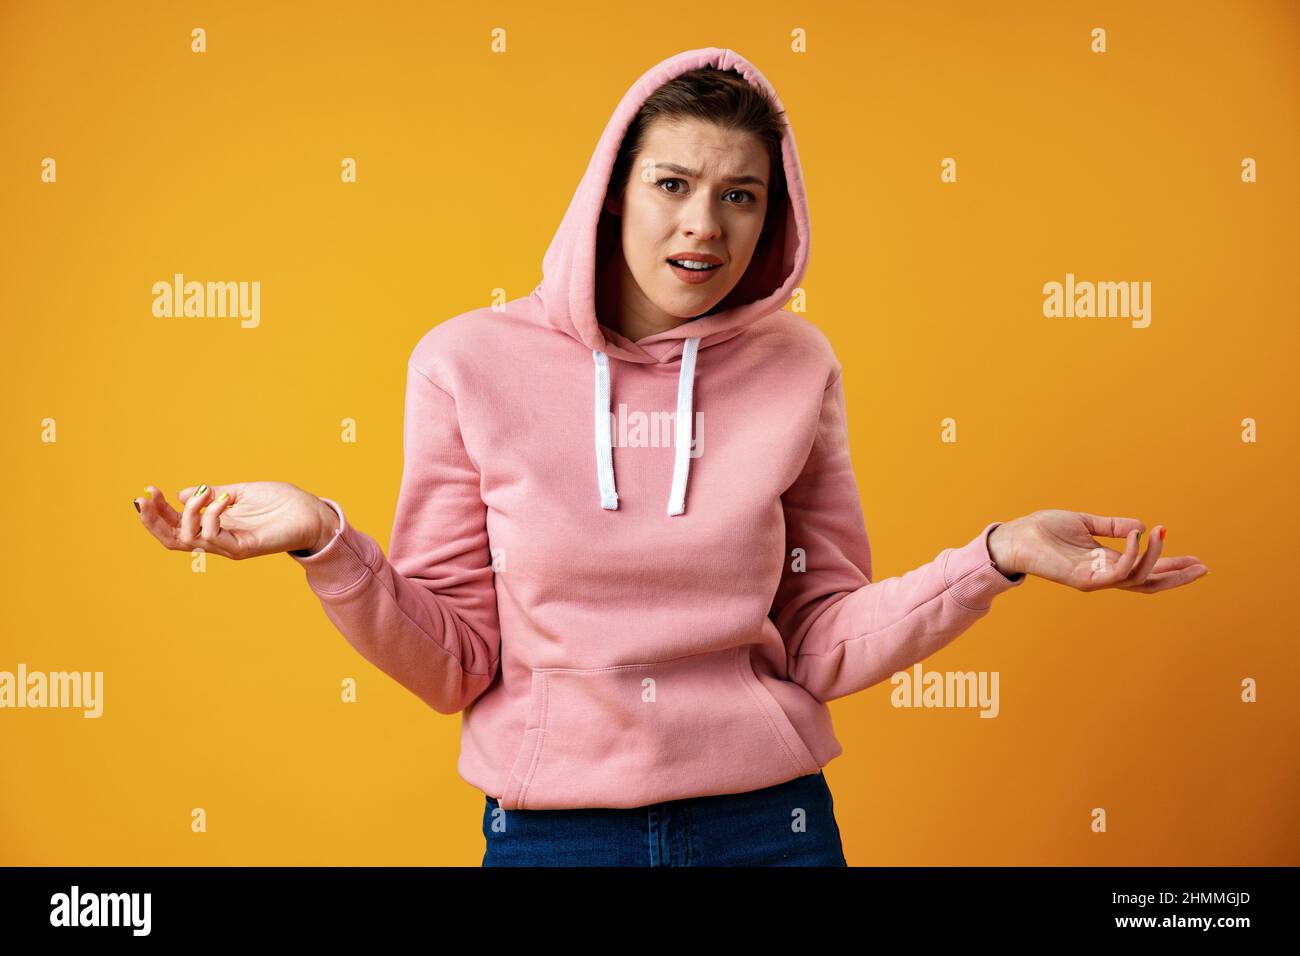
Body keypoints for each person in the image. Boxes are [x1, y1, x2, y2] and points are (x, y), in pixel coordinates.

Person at [133, 47, 1209, 867]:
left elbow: (821, 640)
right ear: (613, 192)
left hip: (772, 826)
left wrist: (998, 553)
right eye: (674, 185)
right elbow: (454, 658)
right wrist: (326, 539)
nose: (706, 225)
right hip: (556, 838)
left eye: (740, 194)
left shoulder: (796, 365)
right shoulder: (466, 362)